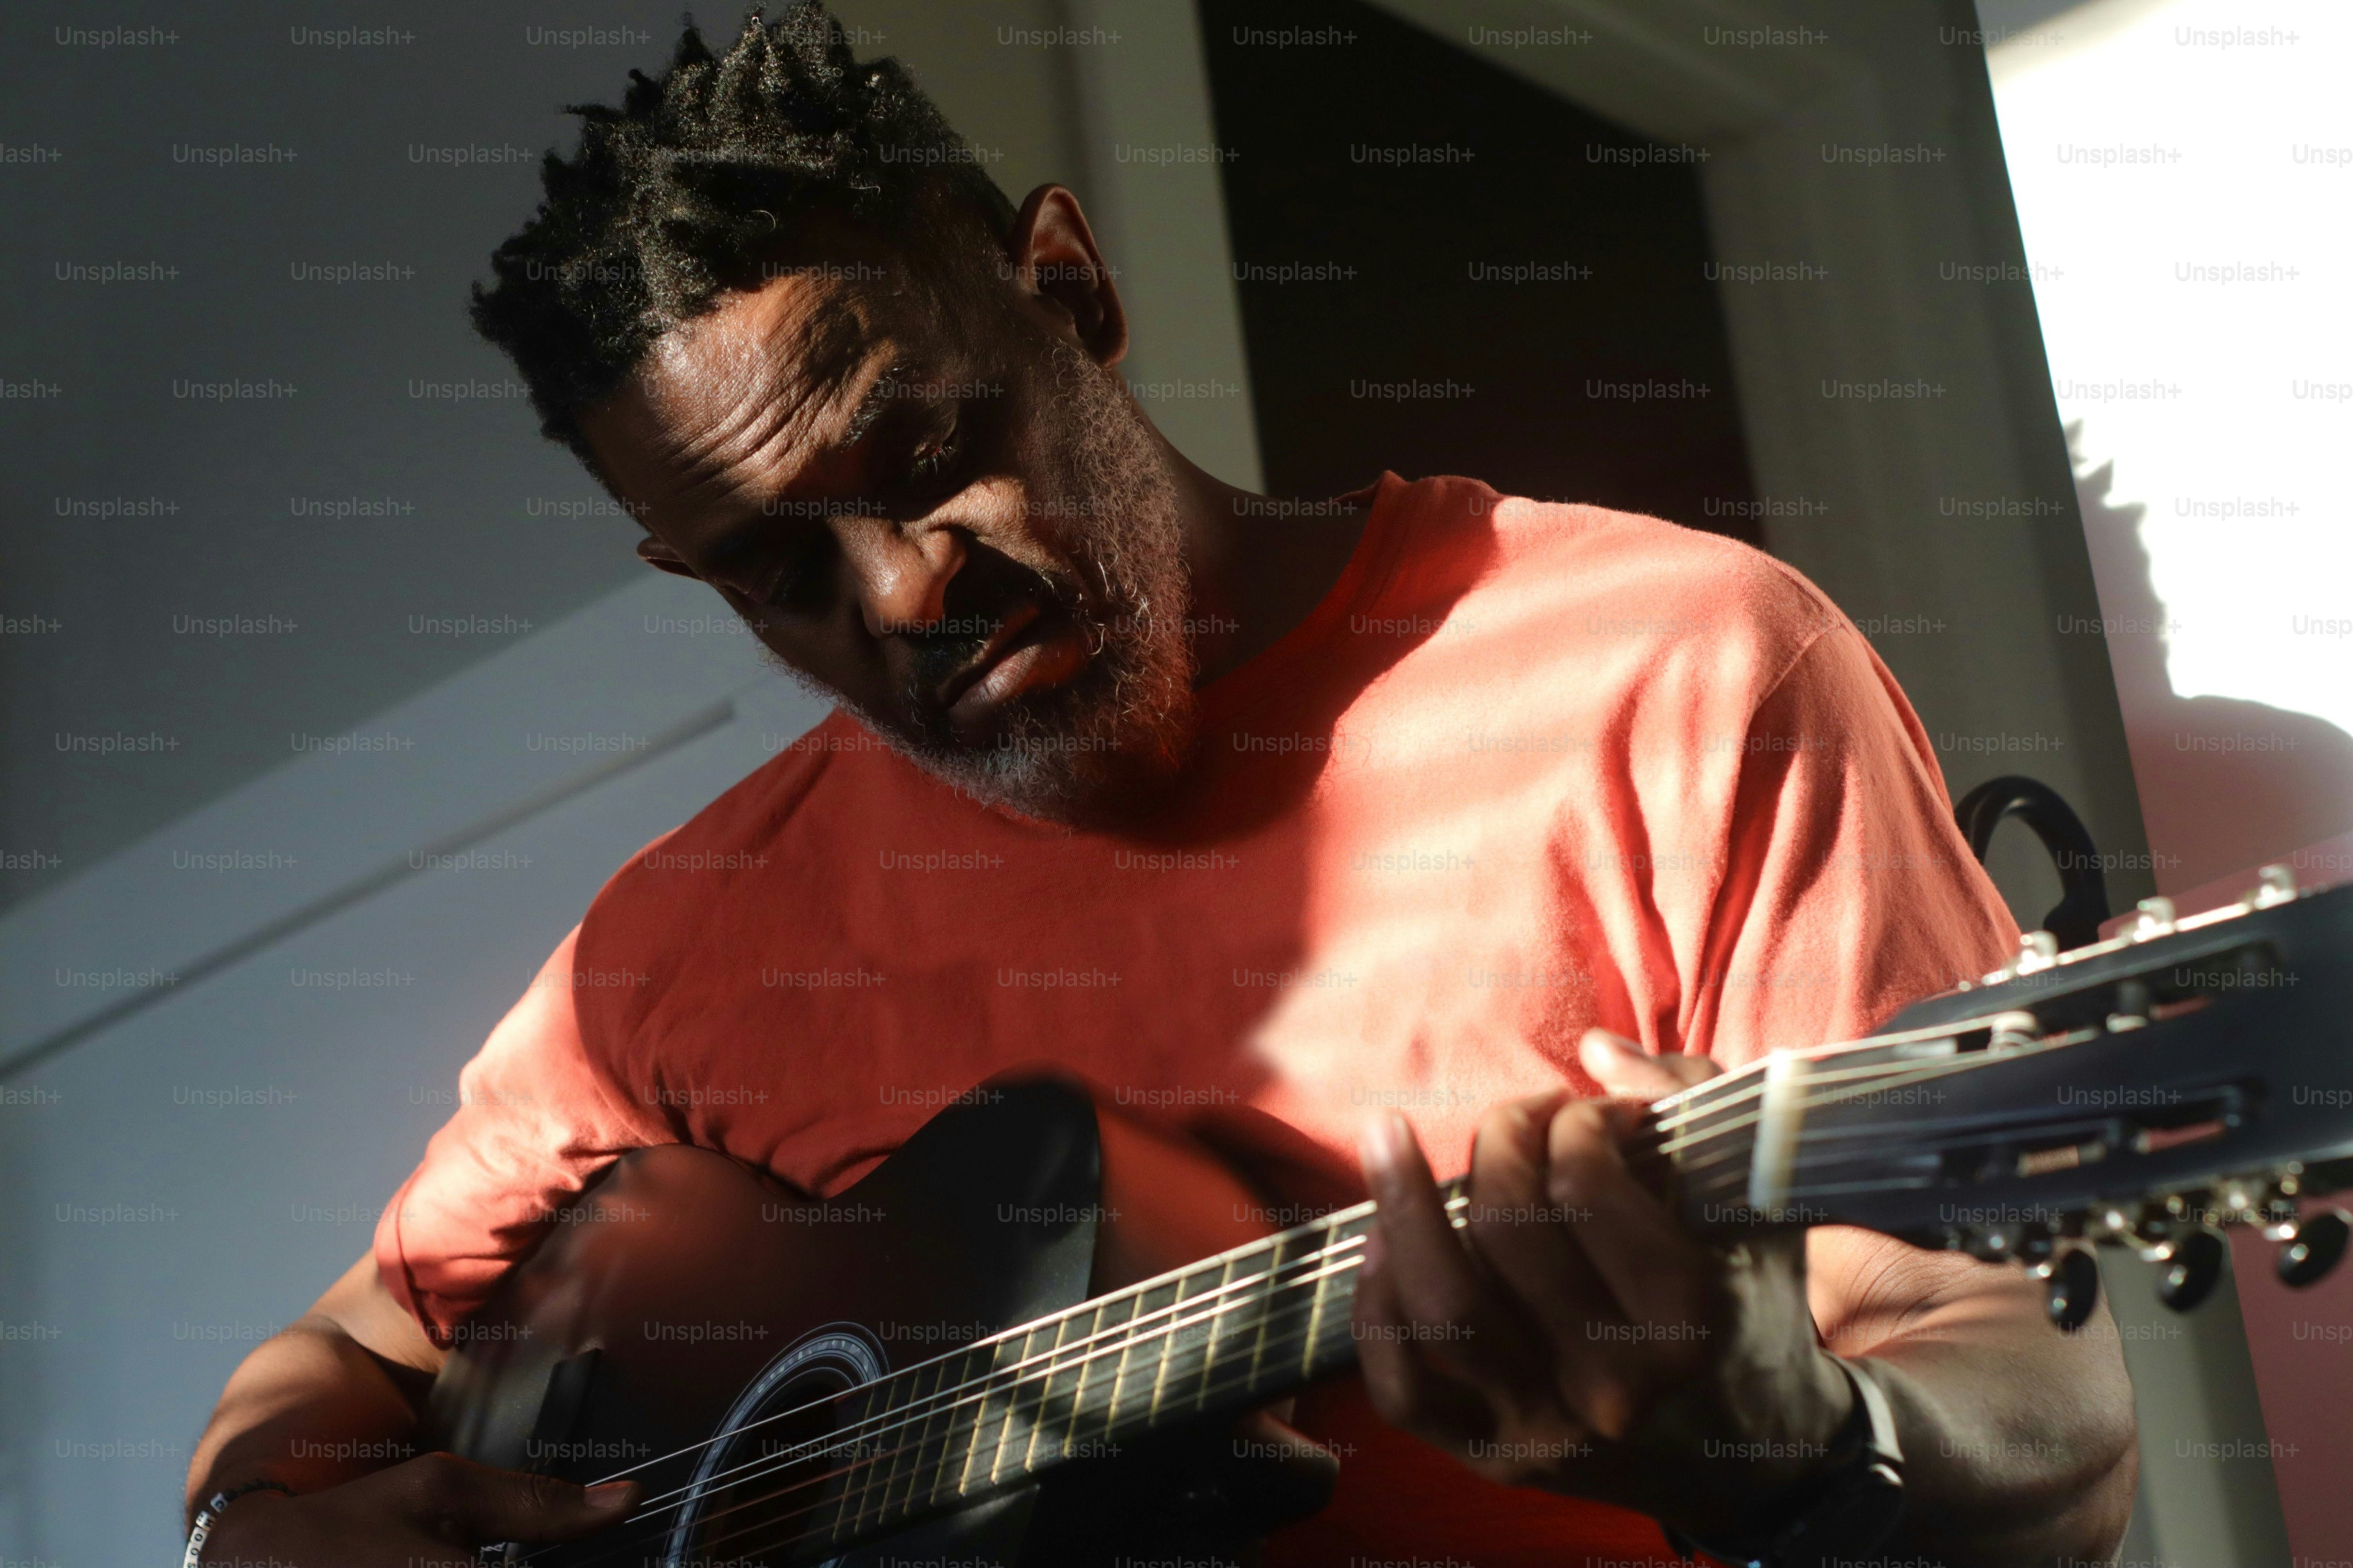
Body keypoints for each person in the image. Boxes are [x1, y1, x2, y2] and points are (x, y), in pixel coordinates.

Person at [183, 7, 2136, 1565]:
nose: (903, 590)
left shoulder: (1678, 671)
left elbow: (2049, 1426)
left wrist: (1789, 1439)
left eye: (928, 450)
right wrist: (258, 1514)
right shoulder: (670, 951)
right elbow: (352, 1348)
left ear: (1068, 282)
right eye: (780, 571)